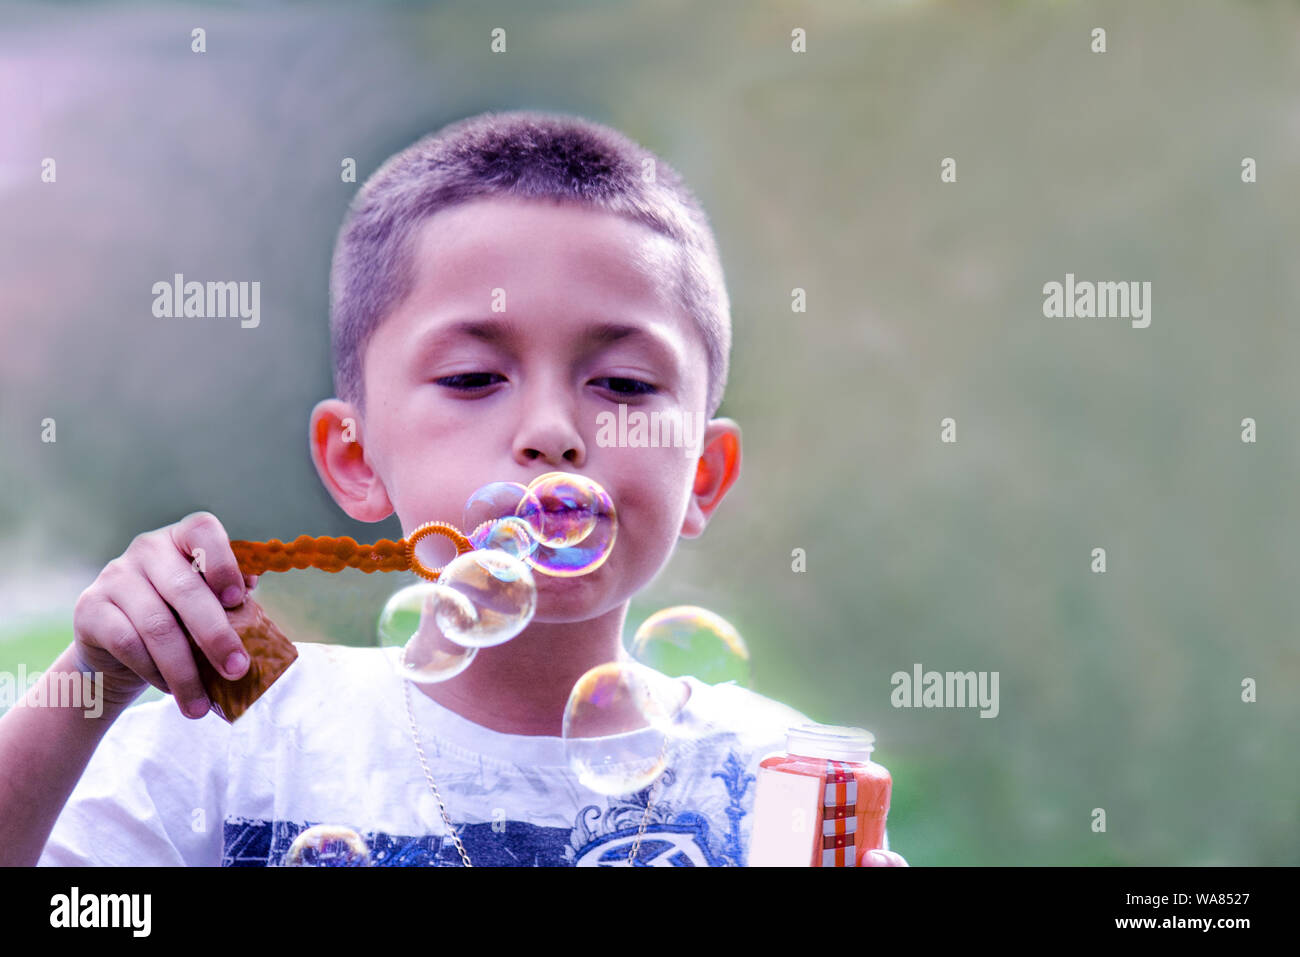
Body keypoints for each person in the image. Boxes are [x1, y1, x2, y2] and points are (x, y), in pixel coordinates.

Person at [0, 110, 907, 867]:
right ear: (354, 459)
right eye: (474, 378)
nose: (551, 432)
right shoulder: (247, 731)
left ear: (702, 474)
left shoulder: (773, 781)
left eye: (624, 385)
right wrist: (94, 680)